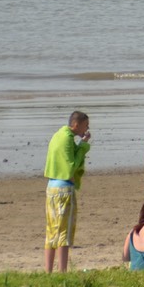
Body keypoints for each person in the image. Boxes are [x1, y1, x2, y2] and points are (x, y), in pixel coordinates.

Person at [43, 110, 91, 272]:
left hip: (51, 187)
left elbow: (66, 159)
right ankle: (62, 271)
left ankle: (48, 271)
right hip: (64, 189)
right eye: (85, 125)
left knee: (52, 231)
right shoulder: (67, 139)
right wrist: (83, 146)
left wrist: (81, 144)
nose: (87, 128)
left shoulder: (58, 135)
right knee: (64, 232)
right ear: (76, 125)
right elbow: (72, 166)